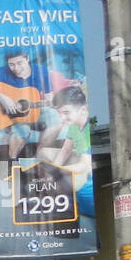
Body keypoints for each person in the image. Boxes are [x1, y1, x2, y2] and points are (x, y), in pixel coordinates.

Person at [0, 49, 73, 158]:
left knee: (55, 119)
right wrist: (2, 98)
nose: (16, 68)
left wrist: (57, 105)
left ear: (27, 59)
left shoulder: (41, 71)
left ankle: (38, 158)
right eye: (12, 64)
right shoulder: (0, 73)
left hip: (35, 111)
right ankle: (11, 162)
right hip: (13, 117)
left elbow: (49, 97)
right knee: (22, 131)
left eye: (19, 63)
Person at [38, 85, 95, 218]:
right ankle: (55, 194)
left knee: (60, 177)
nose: (62, 118)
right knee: (44, 153)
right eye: (59, 113)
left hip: (88, 188)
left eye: (66, 112)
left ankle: (66, 202)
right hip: (80, 168)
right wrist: (52, 170)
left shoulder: (90, 127)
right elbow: (64, 152)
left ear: (83, 109)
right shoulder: (74, 125)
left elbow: (85, 166)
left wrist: (56, 173)